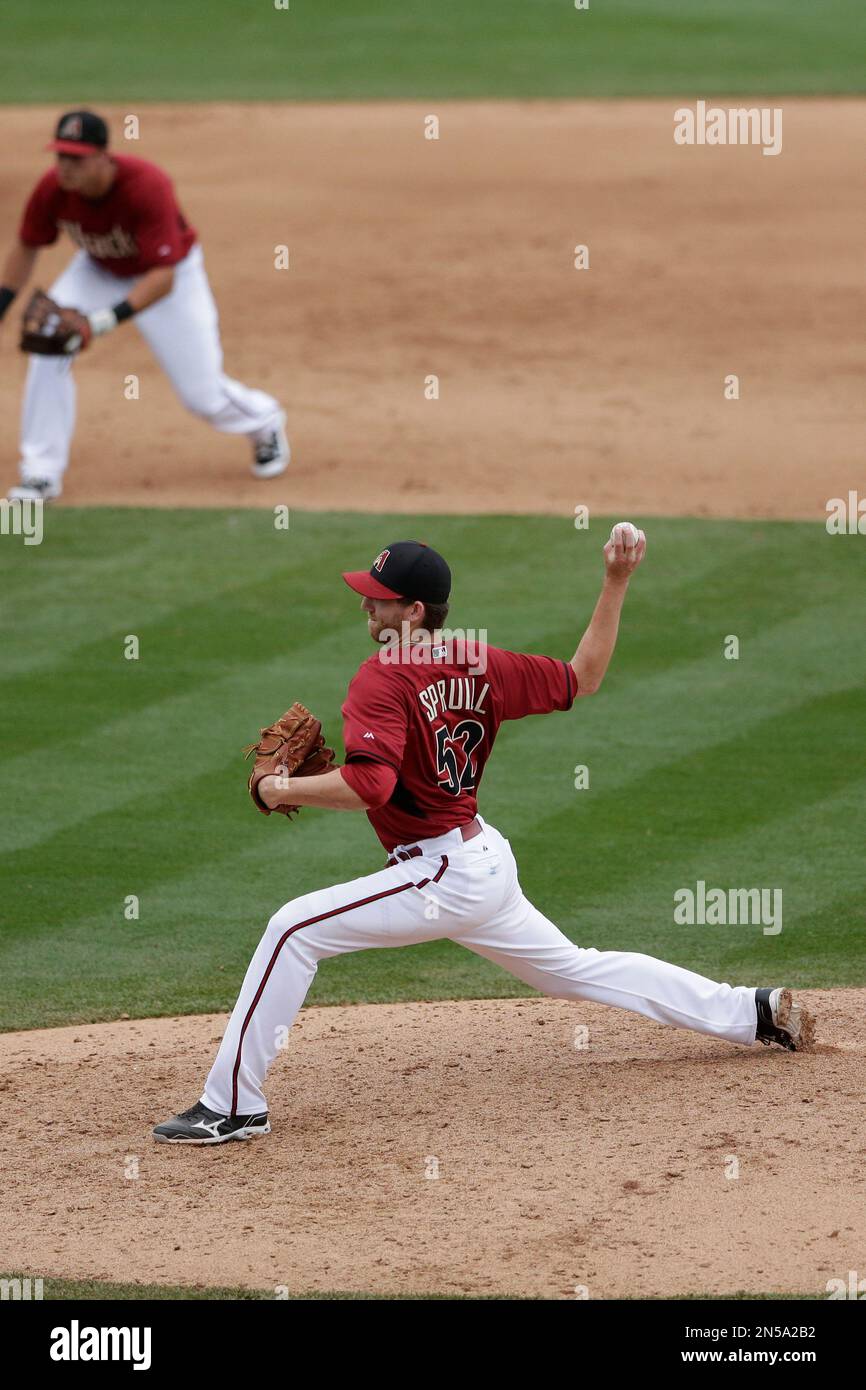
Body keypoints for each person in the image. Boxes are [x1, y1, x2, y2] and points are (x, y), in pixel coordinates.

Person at [153, 525, 814, 1144]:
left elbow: (371, 787)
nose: (367, 611)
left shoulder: (379, 677)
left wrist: (282, 789)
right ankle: (751, 1011)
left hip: (440, 875)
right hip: (482, 863)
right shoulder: (477, 660)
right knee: (571, 970)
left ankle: (233, 1106)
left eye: (379, 602)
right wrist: (616, 581)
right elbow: (583, 677)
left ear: (413, 613)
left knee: (292, 930)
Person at [0, 109, 288, 502]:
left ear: (104, 156)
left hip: (169, 276)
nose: (66, 167)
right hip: (97, 269)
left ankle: (264, 421)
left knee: (201, 394)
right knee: (49, 342)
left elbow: (163, 276)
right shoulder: (53, 187)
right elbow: (28, 244)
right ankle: (41, 472)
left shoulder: (146, 185)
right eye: (61, 156)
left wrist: (102, 321)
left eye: (77, 158)